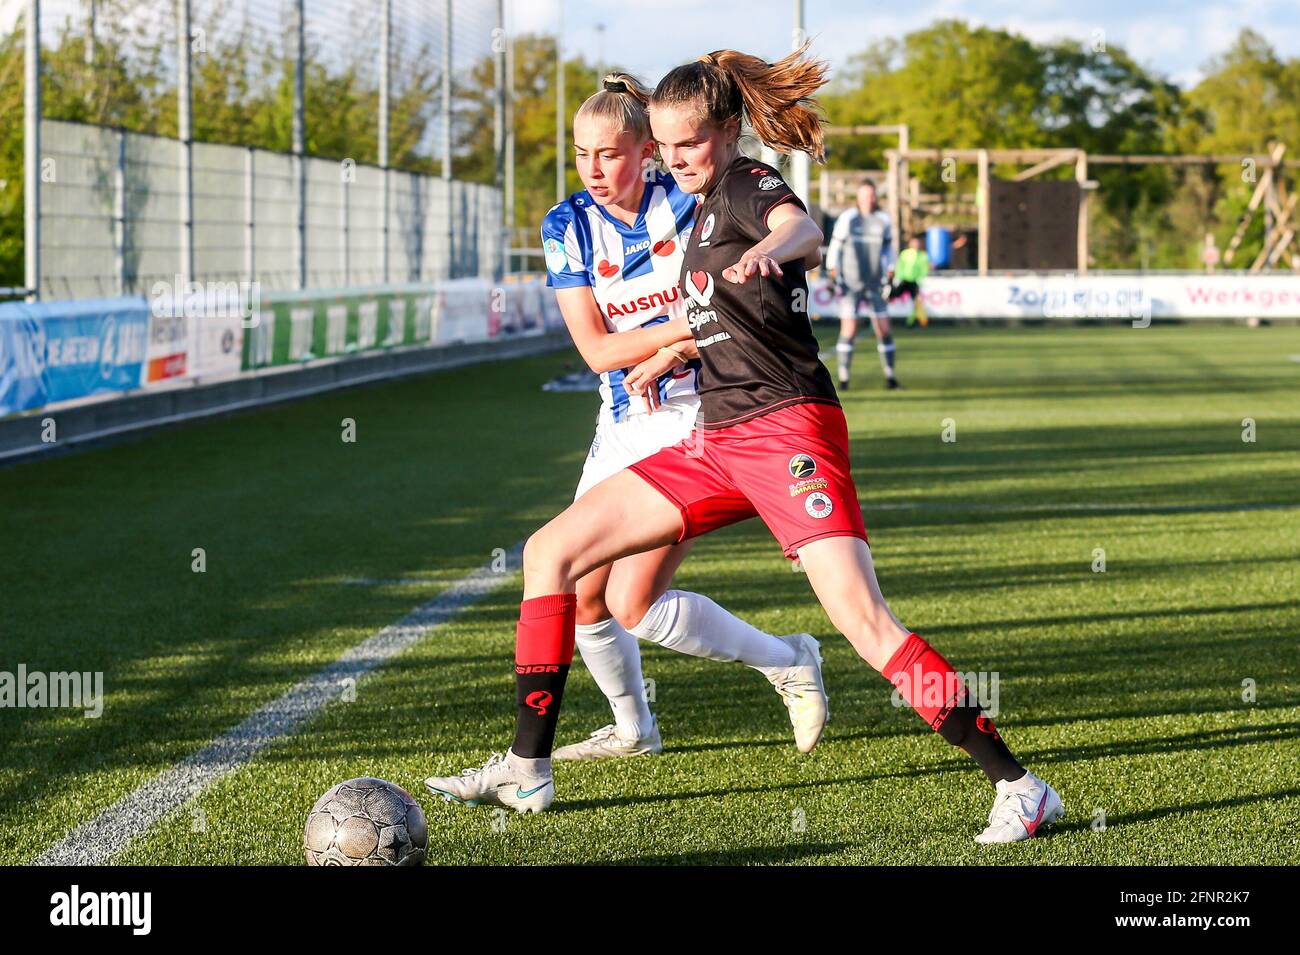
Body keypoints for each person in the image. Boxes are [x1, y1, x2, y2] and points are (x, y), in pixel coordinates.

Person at [425, 46, 1064, 845]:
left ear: (726, 131)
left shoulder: (738, 183)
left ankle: (1020, 785)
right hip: (715, 438)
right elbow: (723, 315)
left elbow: (802, 226)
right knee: (550, 552)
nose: (677, 158)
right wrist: (668, 353)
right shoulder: (694, 210)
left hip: (788, 429)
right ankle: (529, 767)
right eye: (666, 146)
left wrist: (777, 244)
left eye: (688, 143)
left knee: (866, 622)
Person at [498, 73, 828, 764]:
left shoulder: (691, 203)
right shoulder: (566, 226)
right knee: (584, 597)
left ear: (646, 151)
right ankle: (634, 728)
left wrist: (687, 335)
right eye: (580, 152)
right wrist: (685, 326)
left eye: (610, 153)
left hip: (701, 422)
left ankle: (788, 660)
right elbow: (597, 350)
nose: (593, 168)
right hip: (620, 425)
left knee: (631, 599)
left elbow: (751, 296)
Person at [826, 179, 899, 389]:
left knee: (884, 329)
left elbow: (888, 250)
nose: (869, 199)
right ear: (858, 197)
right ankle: (844, 379)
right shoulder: (848, 218)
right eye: (865, 195)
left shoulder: (883, 219)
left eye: (872, 195)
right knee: (848, 330)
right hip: (851, 282)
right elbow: (835, 246)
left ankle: (890, 377)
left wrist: (891, 271)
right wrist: (833, 270)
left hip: (875, 282)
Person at [891, 234, 929, 327]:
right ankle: (879, 318)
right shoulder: (905, 253)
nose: (916, 245)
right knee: (890, 296)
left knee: (917, 302)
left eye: (918, 243)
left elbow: (924, 269)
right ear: (911, 244)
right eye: (914, 243)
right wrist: (898, 277)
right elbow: (900, 266)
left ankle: (912, 323)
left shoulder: (923, 255)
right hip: (903, 280)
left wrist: (921, 278)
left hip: (914, 282)